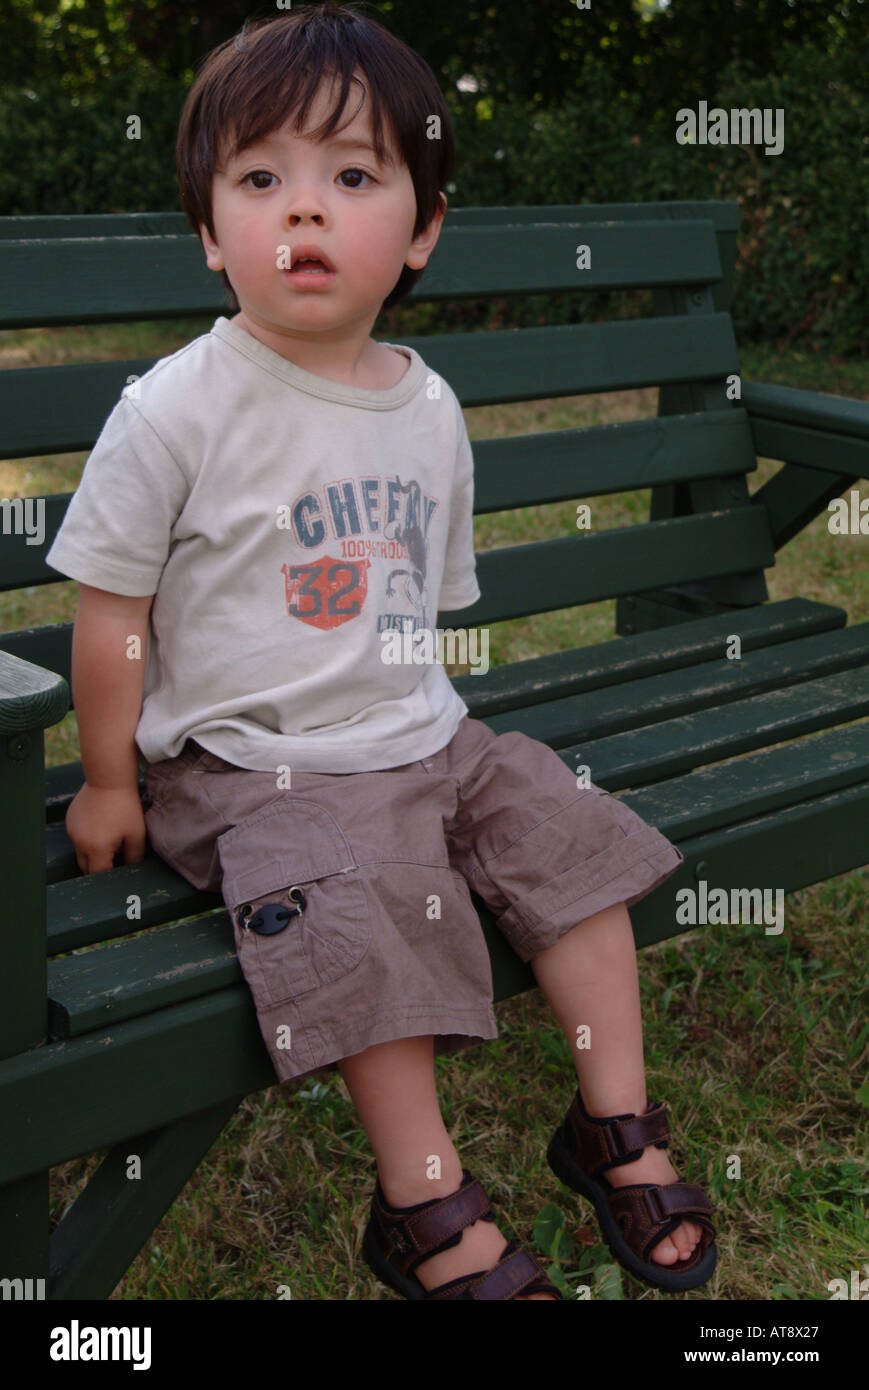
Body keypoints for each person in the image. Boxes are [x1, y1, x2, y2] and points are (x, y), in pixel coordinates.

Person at [46, 2, 716, 1301]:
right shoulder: (177, 409)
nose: (303, 211)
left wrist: (440, 761)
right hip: (252, 763)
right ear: (207, 231)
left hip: (422, 733)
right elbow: (109, 605)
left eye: (352, 176)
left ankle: (614, 1128)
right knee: (353, 907)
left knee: (569, 843)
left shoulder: (427, 407)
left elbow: (414, 605)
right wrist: (111, 778)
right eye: (260, 178)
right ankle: (422, 1200)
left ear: (418, 231)